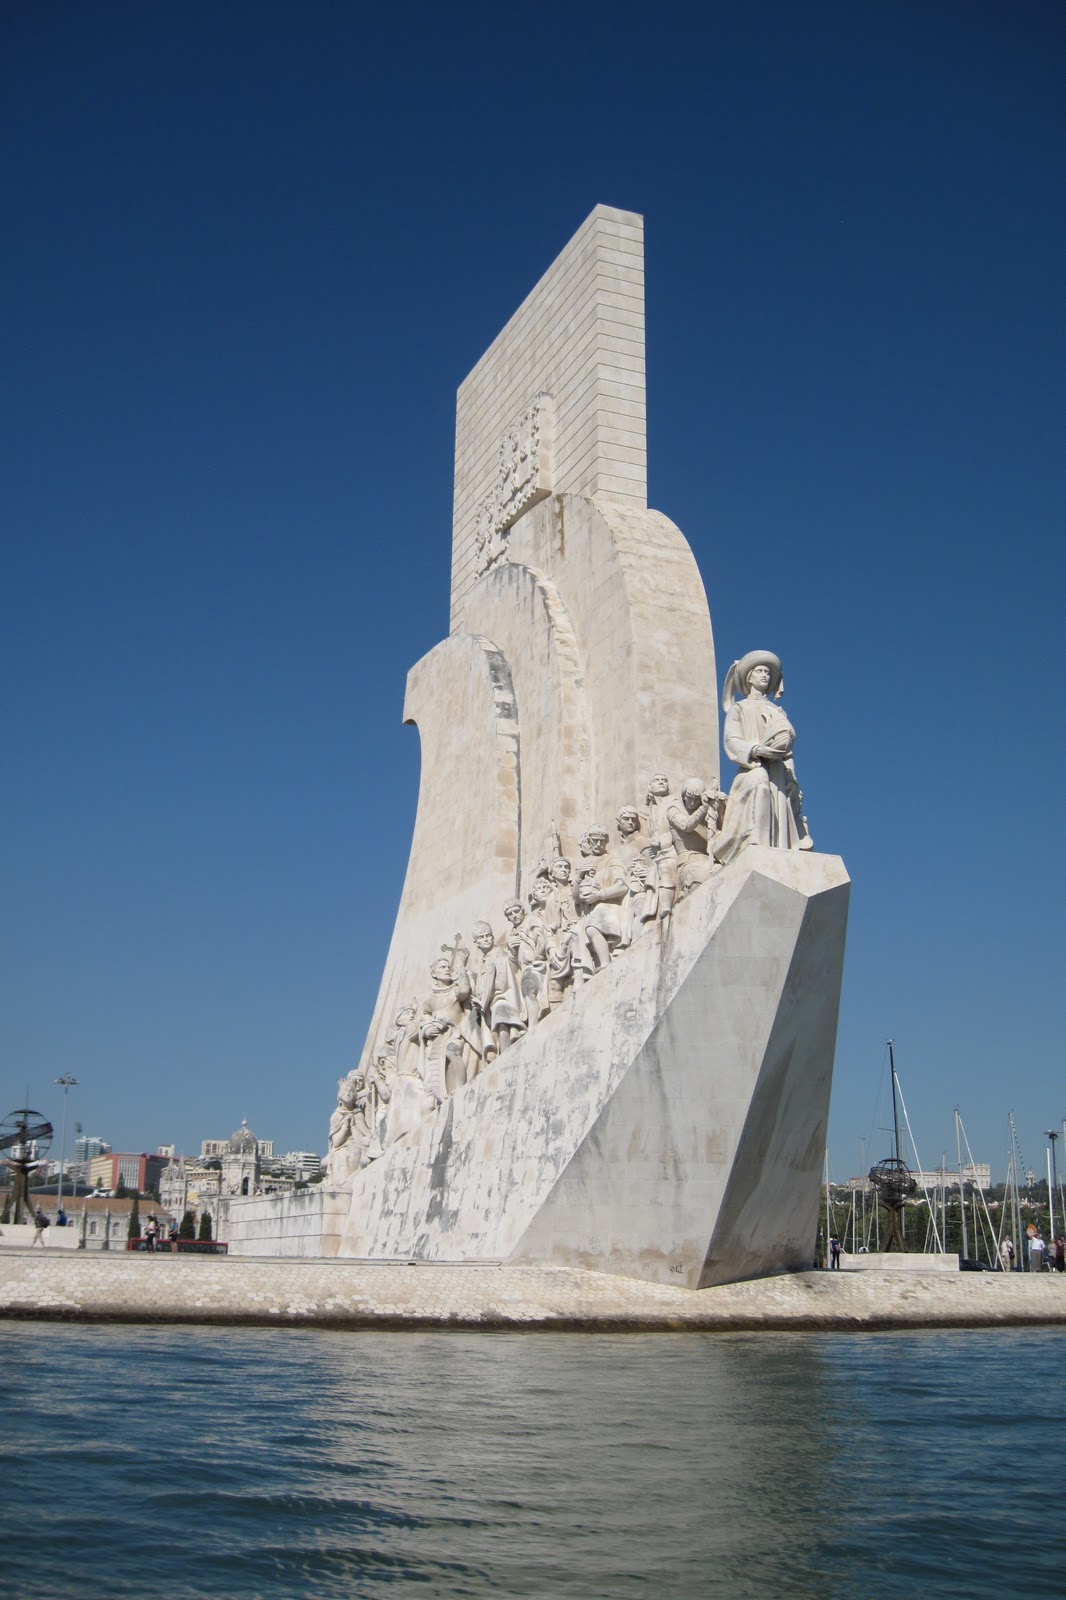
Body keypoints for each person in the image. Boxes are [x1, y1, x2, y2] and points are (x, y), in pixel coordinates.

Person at [713, 650, 813, 864]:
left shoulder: (777, 710)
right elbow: (731, 740)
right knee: (760, 781)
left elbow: (787, 744)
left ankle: (778, 846)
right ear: (749, 677)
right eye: (759, 671)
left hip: (778, 770)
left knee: (779, 799)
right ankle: (754, 839)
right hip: (753, 766)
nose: (764, 676)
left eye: (767, 672)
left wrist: (790, 771)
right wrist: (756, 750)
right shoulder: (740, 708)